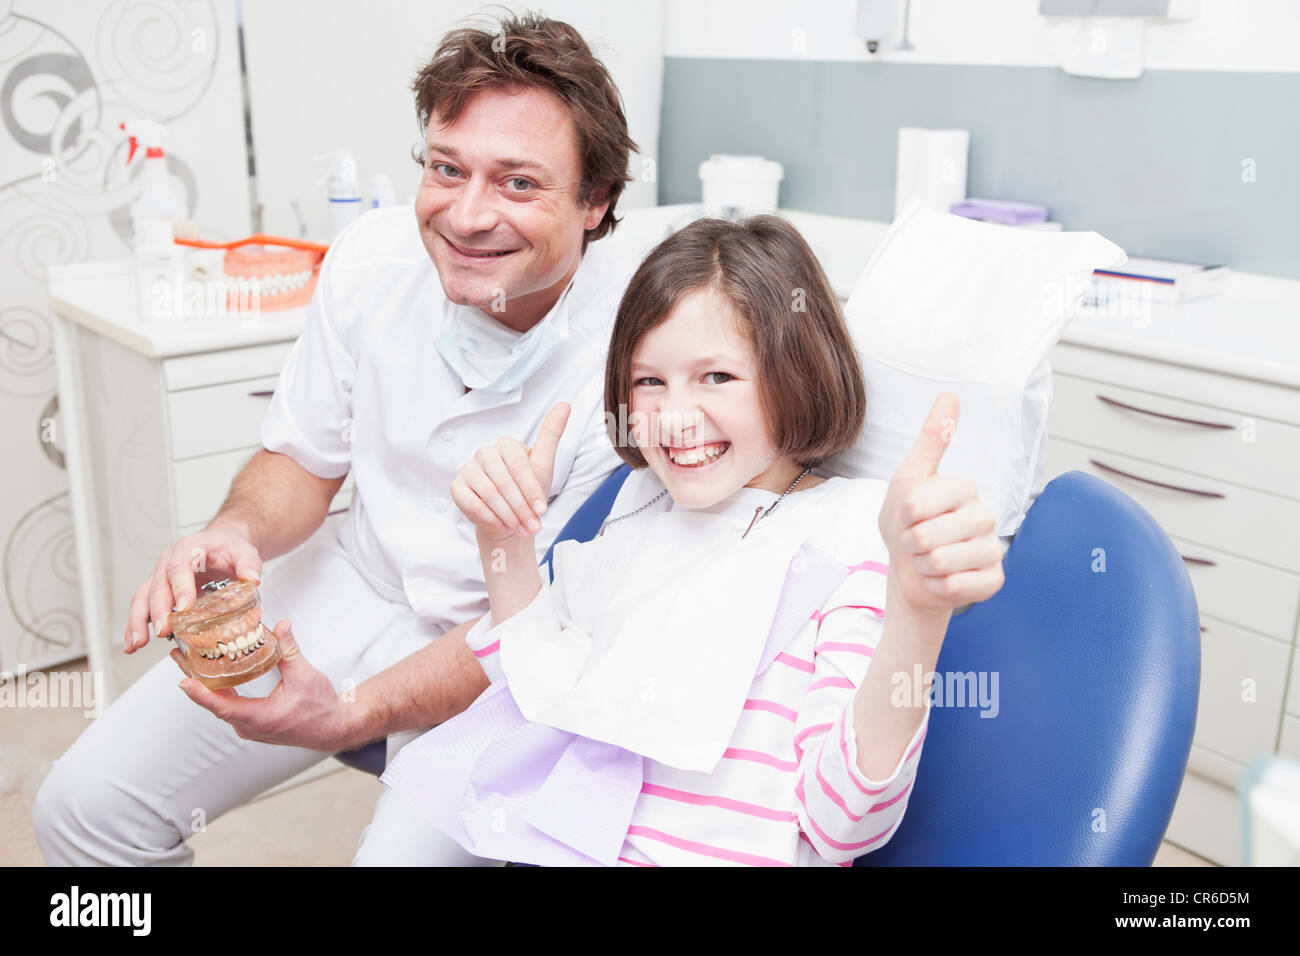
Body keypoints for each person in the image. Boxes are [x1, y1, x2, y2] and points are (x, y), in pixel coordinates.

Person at [33, 13, 640, 866]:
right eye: (446, 168)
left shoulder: (641, 361)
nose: (466, 215)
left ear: (596, 199)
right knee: (81, 808)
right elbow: (301, 459)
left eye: (517, 184)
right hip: (354, 576)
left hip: (505, 644)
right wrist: (234, 531)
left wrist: (351, 710)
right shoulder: (370, 261)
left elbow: (540, 626)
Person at [379, 215, 1006, 866]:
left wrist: (916, 612)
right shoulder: (642, 500)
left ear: (794, 373)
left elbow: (844, 822)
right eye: (650, 381)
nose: (674, 419)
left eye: (717, 377)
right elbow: (538, 682)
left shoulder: (853, 532)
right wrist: (502, 540)